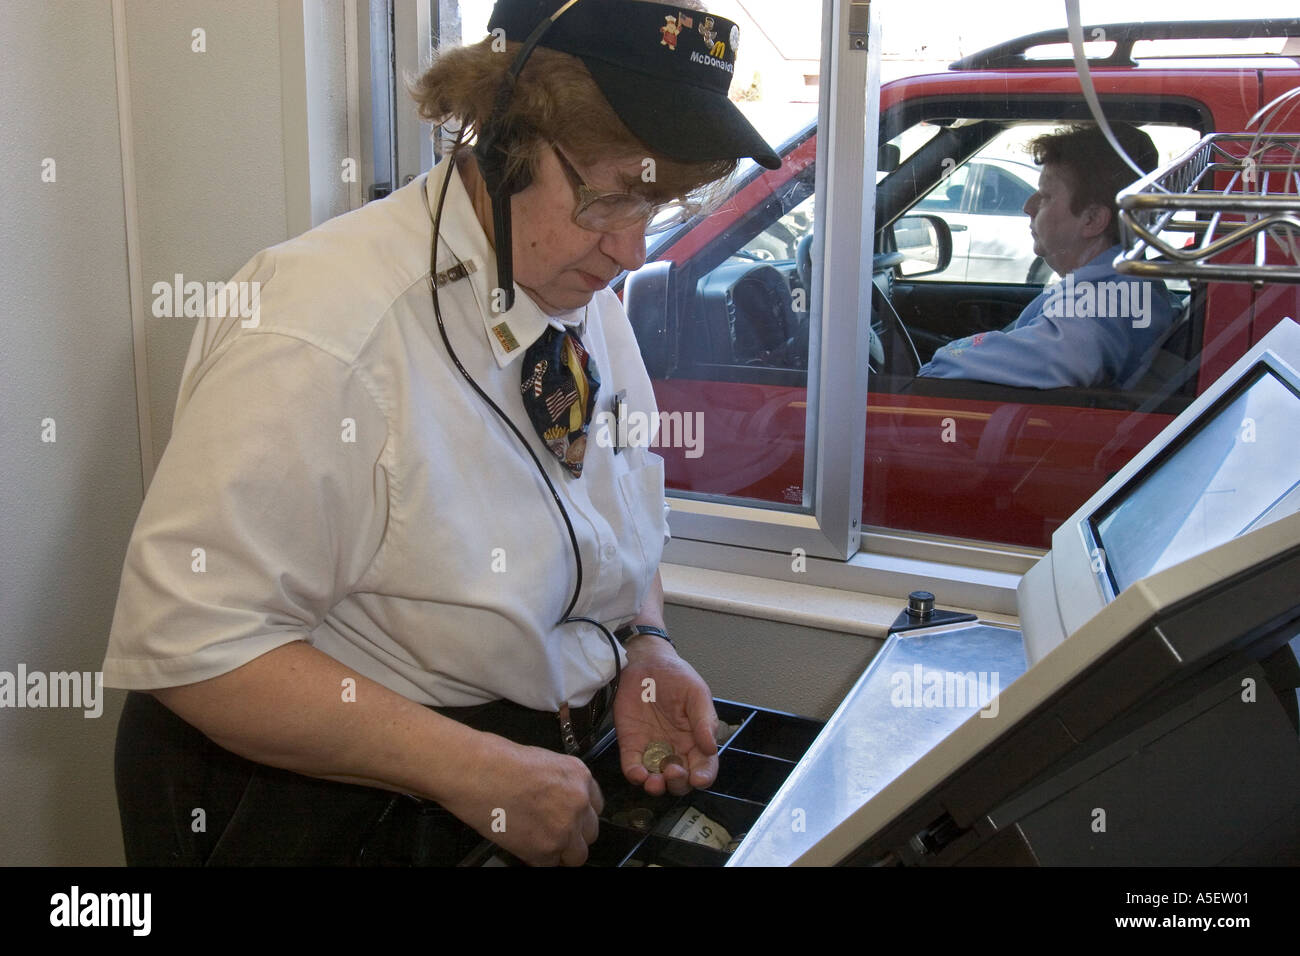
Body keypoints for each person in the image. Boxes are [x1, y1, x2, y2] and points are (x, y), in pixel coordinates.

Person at [102, 0, 780, 867]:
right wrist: (470, 770)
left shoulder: (581, 294)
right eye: (611, 198)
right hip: (334, 798)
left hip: (510, 760)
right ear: (503, 138)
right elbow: (189, 644)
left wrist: (644, 640)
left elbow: (611, 518)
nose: (633, 251)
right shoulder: (317, 327)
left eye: (660, 205)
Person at [917, 123, 1176, 389]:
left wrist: (933, 370)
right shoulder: (1117, 284)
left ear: (1092, 219)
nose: (1028, 206)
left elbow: (1063, 355)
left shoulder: (1104, 300)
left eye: (1045, 196)